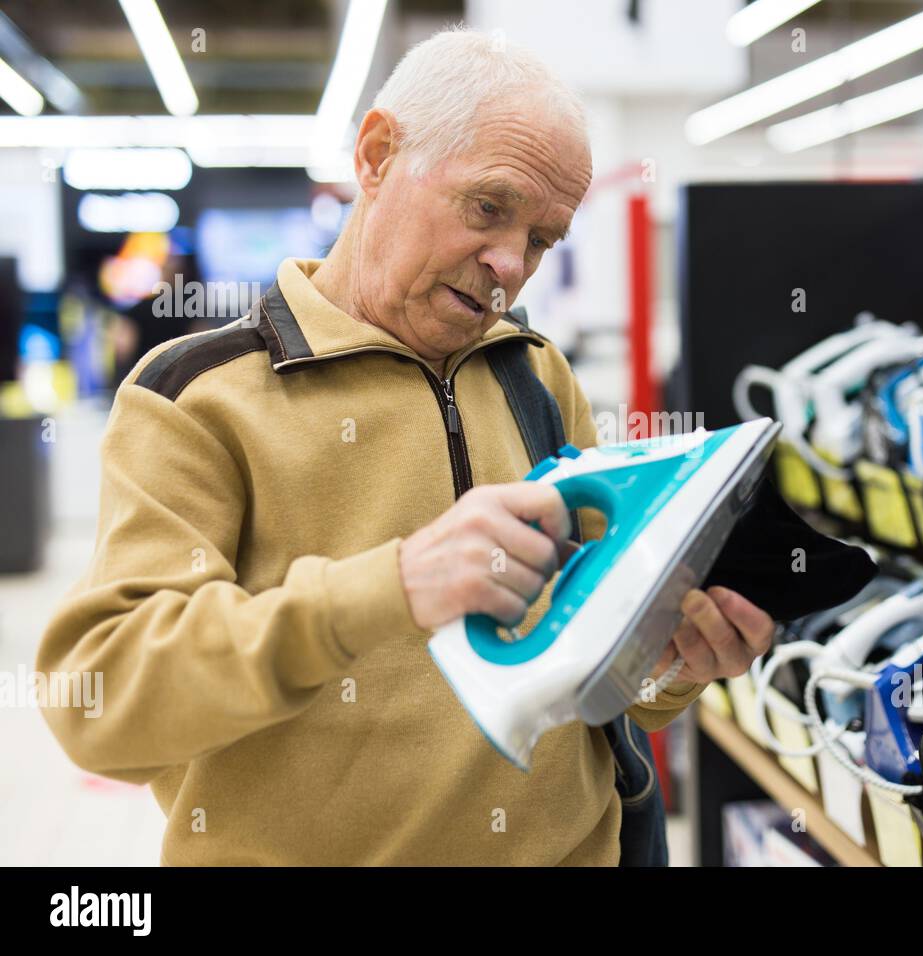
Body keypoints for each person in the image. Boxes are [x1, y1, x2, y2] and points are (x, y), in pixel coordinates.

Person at [38, 27, 775, 866]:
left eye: (541, 240)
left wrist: (671, 665)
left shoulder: (536, 377)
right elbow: (99, 708)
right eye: (488, 207)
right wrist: (384, 590)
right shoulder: (199, 395)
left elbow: (600, 679)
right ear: (379, 153)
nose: (508, 264)